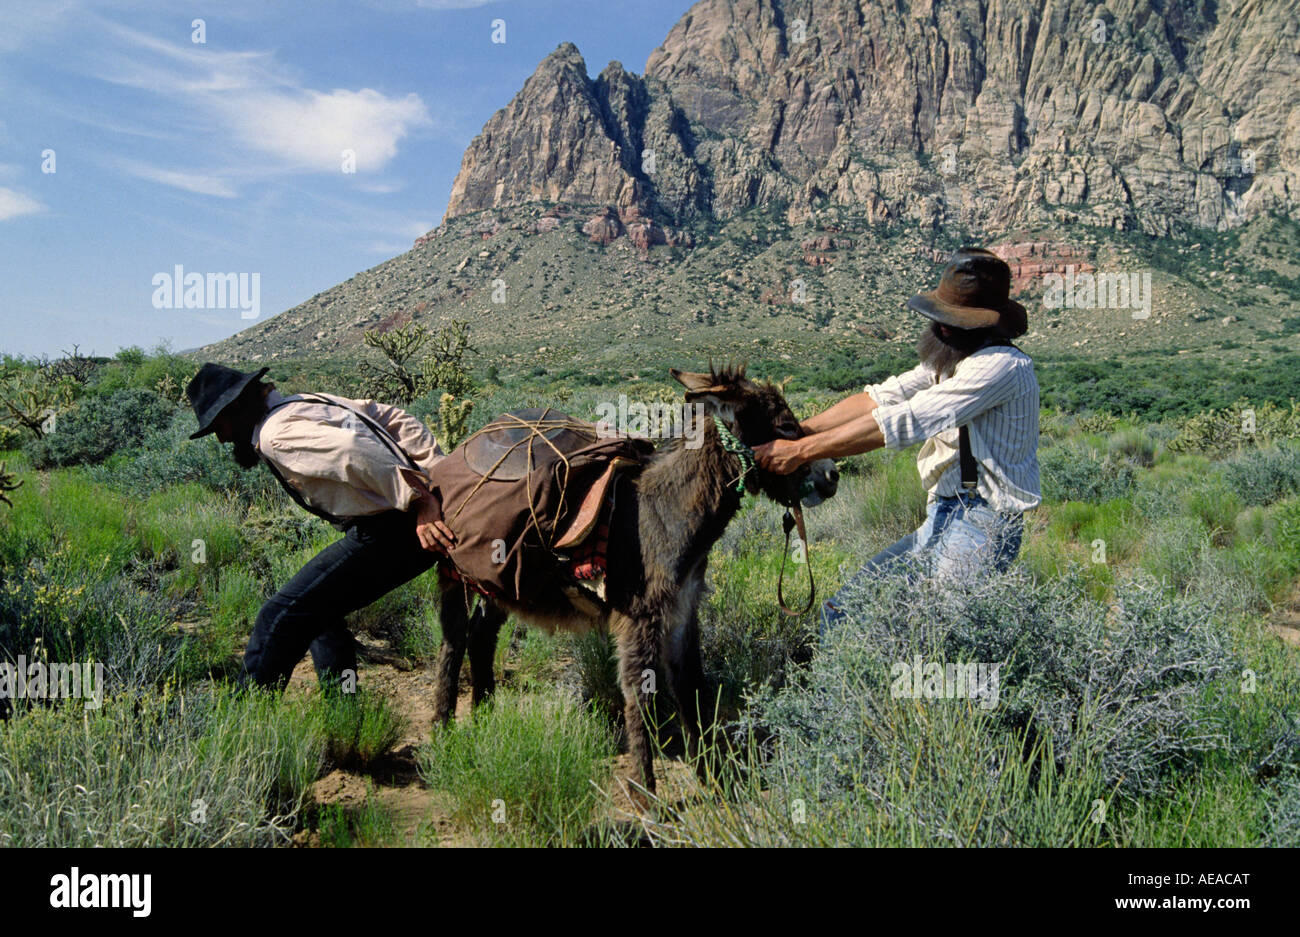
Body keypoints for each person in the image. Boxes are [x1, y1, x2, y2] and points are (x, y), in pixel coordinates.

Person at [753, 247, 1041, 635]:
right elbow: (881, 397)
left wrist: (801, 452)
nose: (939, 328)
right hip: (944, 515)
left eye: (953, 321)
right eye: (940, 317)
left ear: (985, 325)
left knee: (943, 636)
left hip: (983, 523)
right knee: (842, 615)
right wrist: (799, 432)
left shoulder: (1001, 367)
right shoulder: (952, 360)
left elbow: (906, 420)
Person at [185, 363, 457, 689]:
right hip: (400, 523)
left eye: (219, 425)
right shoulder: (306, 401)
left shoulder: (276, 434)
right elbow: (391, 417)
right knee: (320, 616)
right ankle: (344, 716)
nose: (221, 438)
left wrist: (420, 498)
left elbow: (351, 450)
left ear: (237, 408)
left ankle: (247, 720)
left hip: (392, 530)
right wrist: (437, 469)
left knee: (278, 616)